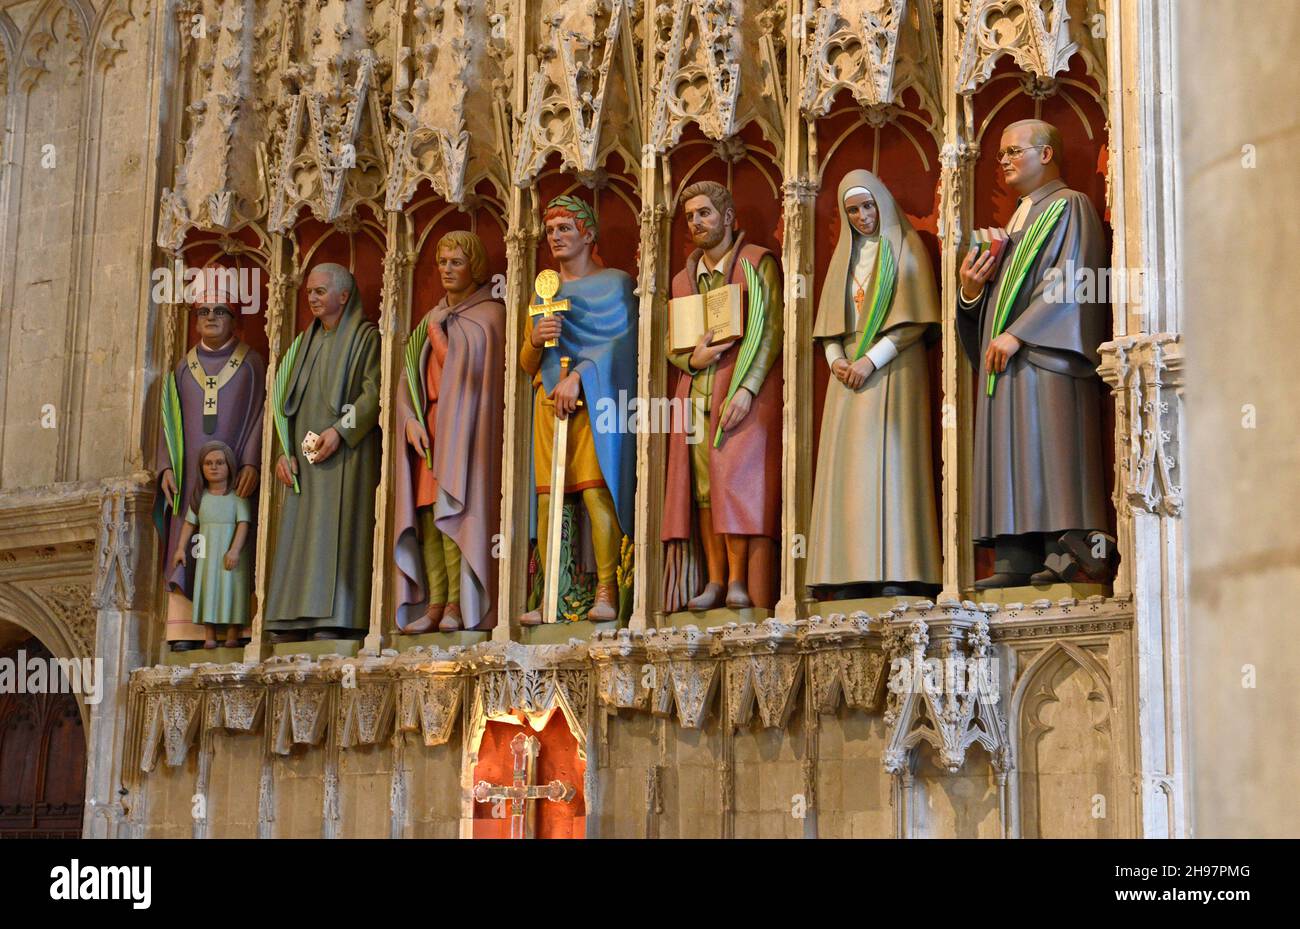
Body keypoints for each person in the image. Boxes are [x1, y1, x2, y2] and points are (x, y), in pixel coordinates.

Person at [958, 118, 1112, 588]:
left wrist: (1020, 334)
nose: (1002, 161)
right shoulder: (1017, 217)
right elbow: (1001, 290)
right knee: (1010, 455)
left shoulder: (1071, 205)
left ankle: (1064, 552)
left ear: (1046, 154)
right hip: (1006, 360)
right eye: (1000, 153)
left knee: (1052, 451)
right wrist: (970, 291)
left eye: (1012, 151)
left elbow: (1076, 280)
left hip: (1048, 355)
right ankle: (1015, 556)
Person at [808, 170, 941, 597]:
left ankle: (899, 571)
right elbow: (829, 326)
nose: (862, 216)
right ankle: (848, 573)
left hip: (893, 370)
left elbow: (916, 319)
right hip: (847, 379)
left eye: (867, 206)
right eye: (852, 210)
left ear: (881, 203)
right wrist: (837, 361)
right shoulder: (844, 258)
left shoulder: (906, 247)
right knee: (847, 477)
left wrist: (871, 359)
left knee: (893, 468)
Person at [662, 181, 783, 610]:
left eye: (705, 214)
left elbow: (770, 329)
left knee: (738, 481)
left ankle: (739, 580)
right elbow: (670, 344)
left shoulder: (756, 262)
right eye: (690, 216)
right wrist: (691, 360)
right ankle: (714, 579)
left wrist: (748, 388)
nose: (696, 223)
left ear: (728, 217)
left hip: (740, 390)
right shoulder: (683, 279)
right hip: (695, 392)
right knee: (703, 489)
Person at [519, 195, 637, 625]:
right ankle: (551, 592)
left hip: (595, 399)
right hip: (548, 404)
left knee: (594, 489)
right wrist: (534, 340)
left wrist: (582, 374)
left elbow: (623, 347)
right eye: (550, 231)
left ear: (588, 234)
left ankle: (606, 589)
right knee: (550, 499)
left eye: (565, 228)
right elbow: (525, 363)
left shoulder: (616, 284)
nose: (556, 237)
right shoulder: (543, 288)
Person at [394, 232, 506, 634]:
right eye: (442, 262)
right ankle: (435, 602)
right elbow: (407, 375)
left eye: (456, 262)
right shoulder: (433, 315)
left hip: (466, 430)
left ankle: (459, 604)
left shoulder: (489, 315)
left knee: (453, 513)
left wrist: (440, 335)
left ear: (474, 267)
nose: (446, 269)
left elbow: (469, 376)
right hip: (432, 425)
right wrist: (408, 418)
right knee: (426, 517)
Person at [266, 263, 382, 640]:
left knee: (337, 532)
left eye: (320, 291)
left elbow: (373, 392)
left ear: (344, 296)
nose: (312, 298)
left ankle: (337, 619)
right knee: (302, 535)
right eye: (310, 292)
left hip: (345, 457)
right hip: (304, 460)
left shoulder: (365, 337)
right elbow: (285, 404)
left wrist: (341, 431)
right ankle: (293, 617)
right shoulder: (304, 342)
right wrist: (283, 453)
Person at [154, 287, 264, 649]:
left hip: (233, 480)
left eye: (220, 310)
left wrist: (250, 459)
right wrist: (167, 465)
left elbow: (260, 417)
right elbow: (169, 421)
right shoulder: (184, 367)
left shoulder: (251, 363)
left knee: (231, 545)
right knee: (190, 542)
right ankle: (186, 627)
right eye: (203, 311)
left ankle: (236, 624)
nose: (210, 317)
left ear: (235, 319)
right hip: (190, 478)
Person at [170, 441, 252, 649]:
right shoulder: (201, 498)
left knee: (231, 590)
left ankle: (233, 634)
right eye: (208, 463)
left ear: (229, 466)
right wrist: (180, 548)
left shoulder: (237, 497)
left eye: (219, 462)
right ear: (201, 467)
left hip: (231, 554)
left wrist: (234, 550)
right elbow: (190, 523)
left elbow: (243, 524)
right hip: (207, 553)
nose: (214, 467)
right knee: (208, 589)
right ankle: (210, 635)